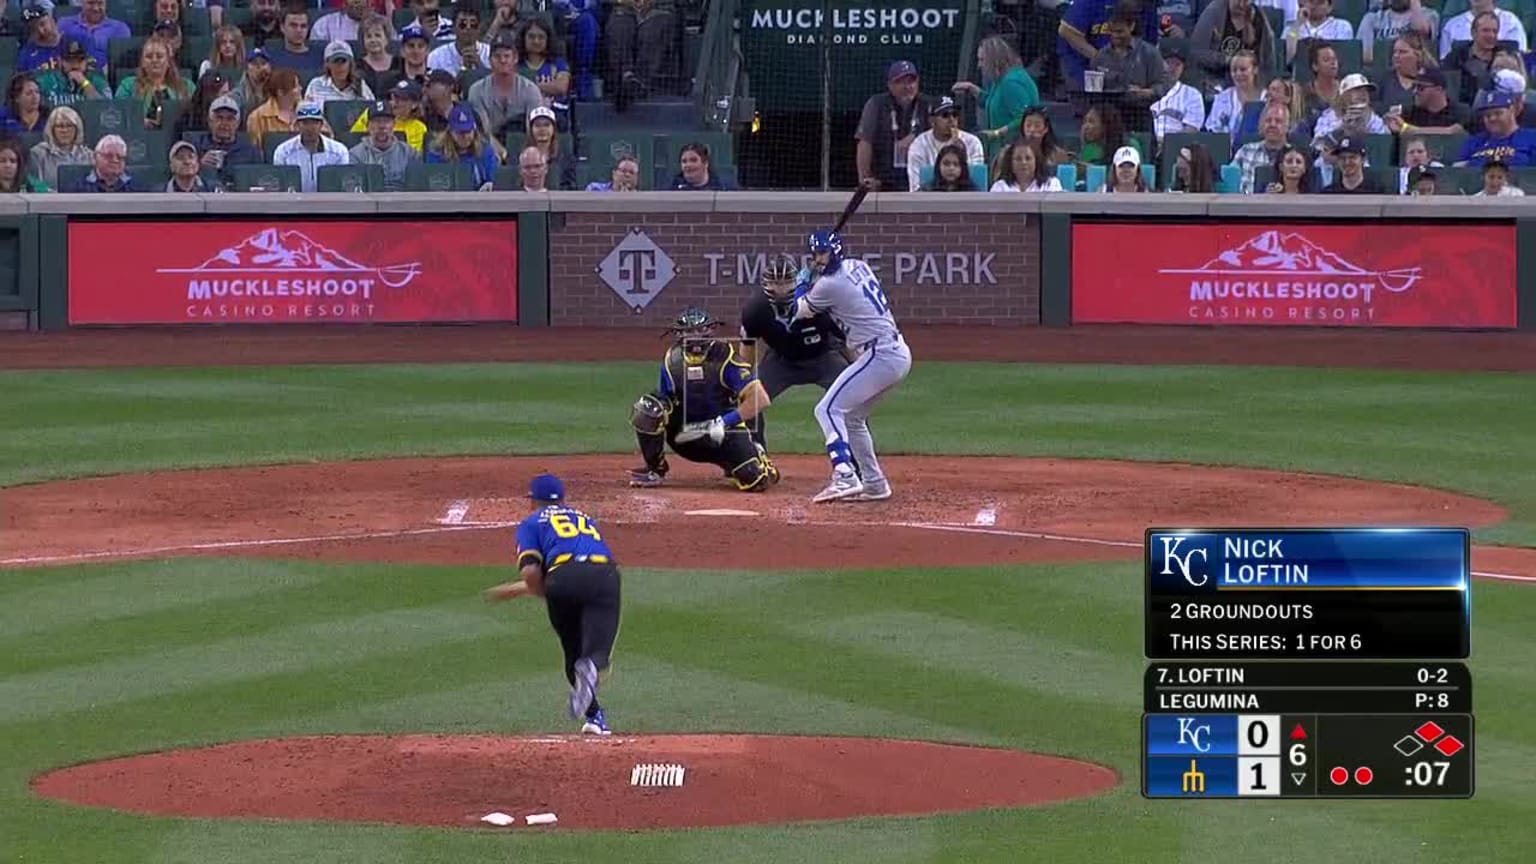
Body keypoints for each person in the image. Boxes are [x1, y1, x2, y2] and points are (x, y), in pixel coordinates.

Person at [482, 473, 622, 736]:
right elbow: (586, 561)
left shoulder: (532, 522)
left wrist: (531, 590)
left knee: (574, 653)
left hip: (562, 578)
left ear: (533, 501)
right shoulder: (583, 517)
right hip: (604, 575)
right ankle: (594, 676)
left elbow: (531, 572)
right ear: (563, 499)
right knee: (596, 652)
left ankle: (594, 715)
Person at [793, 221, 911, 503]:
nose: (819, 260)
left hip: (880, 354)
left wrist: (800, 284)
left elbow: (798, 312)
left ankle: (844, 474)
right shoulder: (858, 265)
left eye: (823, 254)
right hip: (894, 352)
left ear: (835, 252)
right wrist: (813, 279)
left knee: (827, 410)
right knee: (853, 417)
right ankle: (874, 483)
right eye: (816, 255)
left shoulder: (830, 285)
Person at [627, 306, 780, 492]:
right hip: (687, 435)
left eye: (700, 330)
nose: (696, 336)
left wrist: (722, 422)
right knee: (648, 408)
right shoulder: (672, 359)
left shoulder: (727, 358)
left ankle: (753, 456)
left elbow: (760, 399)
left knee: (755, 480)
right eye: (690, 332)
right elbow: (665, 400)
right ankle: (655, 470)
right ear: (678, 335)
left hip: (723, 434)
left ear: (711, 331)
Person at [738, 254, 852, 451]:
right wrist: (743, 380)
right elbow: (748, 346)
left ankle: (856, 456)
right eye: (775, 283)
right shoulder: (756, 309)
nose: (780, 289)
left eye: (786, 283)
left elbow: (848, 340)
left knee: (851, 396)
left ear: (795, 282)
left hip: (824, 356)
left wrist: (858, 372)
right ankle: (754, 453)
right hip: (782, 360)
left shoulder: (820, 301)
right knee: (749, 398)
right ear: (765, 284)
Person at [855, 60, 932, 192]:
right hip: (884, 179)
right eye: (900, 82)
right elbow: (865, 143)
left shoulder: (928, 104)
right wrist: (865, 179)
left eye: (911, 81)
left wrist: (917, 138)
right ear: (890, 85)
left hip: (921, 179)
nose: (907, 86)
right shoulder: (877, 104)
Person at [950, 35, 1040, 142]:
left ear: (994, 60)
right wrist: (972, 89)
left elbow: (1025, 118)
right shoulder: (1000, 80)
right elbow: (998, 104)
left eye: (982, 60)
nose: (979, 65)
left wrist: (998, 133)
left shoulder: (1011, 83)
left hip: (1013, 148)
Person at [906, 96, 984, 191]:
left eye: (955, 115)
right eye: (945, 115)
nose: (952, 120)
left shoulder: (972, 142)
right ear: (932, 120)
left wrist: (961, 153)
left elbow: (976, 179)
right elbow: (915, 186)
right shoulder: (919, 145)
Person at [272, 101, 350, 191]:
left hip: (329, 202)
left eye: (314, 122)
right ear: (297, 125)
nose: (310, 128)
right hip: (294, 202)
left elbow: (341, 186)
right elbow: (281, 187)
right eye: (305, 123)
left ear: (321, 125)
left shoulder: (339, 151)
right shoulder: (283, 152)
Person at [348, 98, 417, 190]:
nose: (382, 126)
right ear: (367, 126)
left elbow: (416, 188)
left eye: (386, 121)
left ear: (394, 125)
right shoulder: (356, 154)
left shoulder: (409, 153)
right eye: (377, 121)